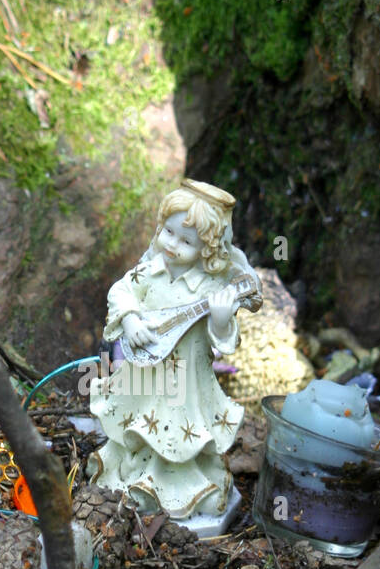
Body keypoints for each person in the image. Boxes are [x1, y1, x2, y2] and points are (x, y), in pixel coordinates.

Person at [87, 178, 261, 519]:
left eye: (186, 241)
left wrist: (222, 319)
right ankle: (132, 477)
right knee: (137, 426)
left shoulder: (212, 285)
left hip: (186, 383)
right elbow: (121, 292)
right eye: (168, 232)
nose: (172, 244)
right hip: (144, 378)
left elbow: (222, 341)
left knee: (179, 433)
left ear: (208, 248)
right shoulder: (149, 272)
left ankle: (182, 490)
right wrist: (132, 320)